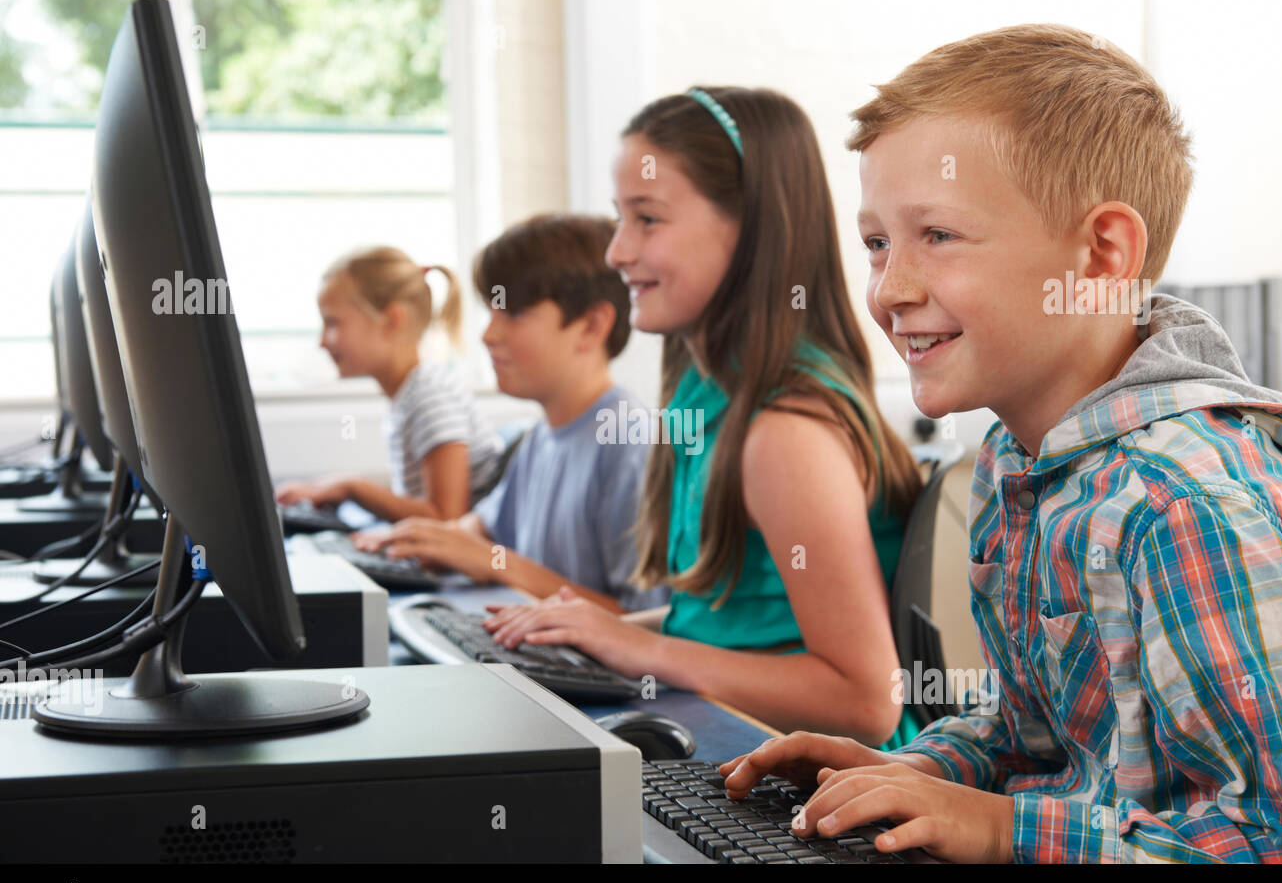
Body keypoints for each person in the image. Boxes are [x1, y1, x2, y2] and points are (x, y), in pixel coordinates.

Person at [721, 24, 1282, 863]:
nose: (891, 289)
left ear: (1102, 254)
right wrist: (911, 772)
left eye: (939, 237)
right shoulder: (1016, 461)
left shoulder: (1183, 509)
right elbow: (1035, 732)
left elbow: (1274, 847)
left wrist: (998, 829)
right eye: (878, 243)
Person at [481, 87, 926, 747]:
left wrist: (646, 653)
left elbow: (867, 703)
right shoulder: (705, 394)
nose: (616, 253)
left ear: (748, 228)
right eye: (618, 219)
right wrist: (596, 632)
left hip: (823, 792)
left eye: (648, 220)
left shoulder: (786, 431)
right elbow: (728, 627)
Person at [354, 214, 670, 613]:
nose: (488, 334)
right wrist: (431, 539)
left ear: (592, 326)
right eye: (490, 311)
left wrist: (497, 563)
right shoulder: (542, 436)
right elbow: (484, 524)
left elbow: (644, 620)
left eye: (513, 314)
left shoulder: (628, 441)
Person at [276, 247, 503, 522]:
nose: (322, 341)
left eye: (332, 323)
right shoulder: (410, 395)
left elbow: (446, 518)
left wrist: (353, 487)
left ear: (392, 321)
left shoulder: (431, 397)